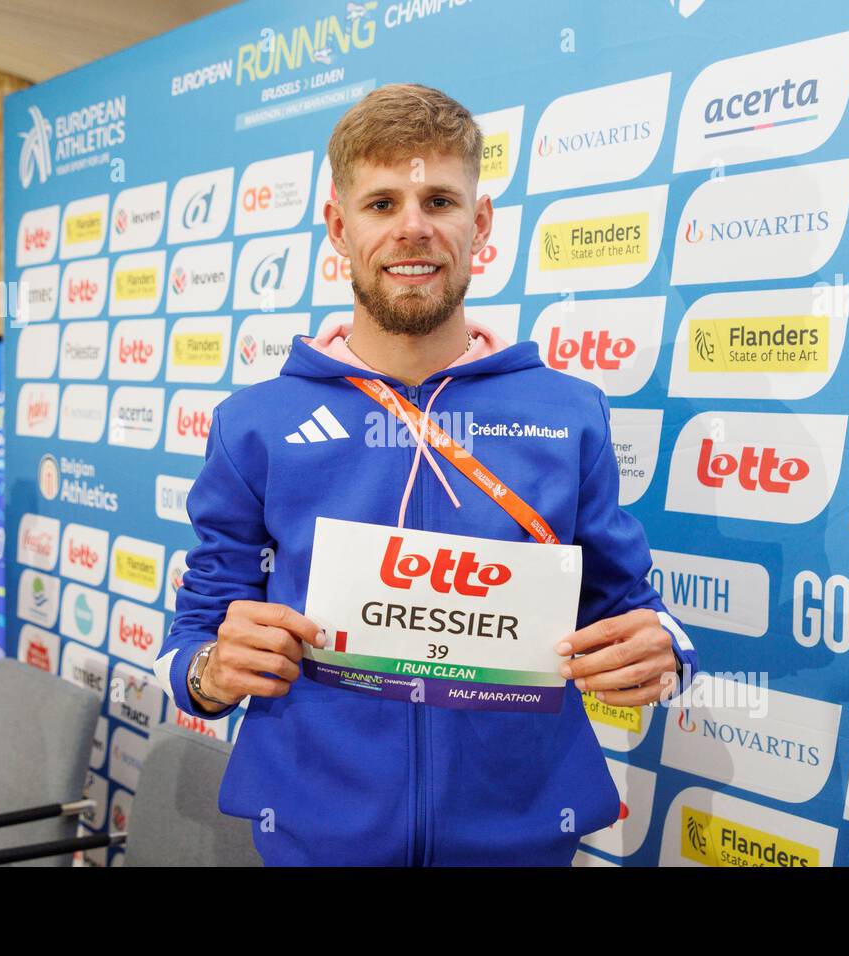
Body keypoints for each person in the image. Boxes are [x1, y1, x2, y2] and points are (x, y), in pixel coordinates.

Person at [156, 84, 699, 866]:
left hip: (520, 838)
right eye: (381, 204)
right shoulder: (256, 422)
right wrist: (210, 671)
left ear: (477, 225)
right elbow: (193, 640)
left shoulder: (569, 410)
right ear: (340, 228)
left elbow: (632, 608)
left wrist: (666, 653)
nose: (412, 228)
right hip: (314, 839)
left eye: (438, 199)